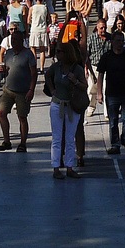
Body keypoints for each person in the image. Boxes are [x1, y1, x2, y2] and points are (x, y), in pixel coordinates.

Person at [47, 40, 86, 178]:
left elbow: (84, 86)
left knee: (70, 138)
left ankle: (70, 167)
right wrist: (52, 90)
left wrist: (75, 81)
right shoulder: (56, 67)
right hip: (57, 104)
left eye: (59, 51)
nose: (56, 54)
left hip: (72, 106)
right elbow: (47, 76)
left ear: (66, 53)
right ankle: (56, 168)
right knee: (57, 138)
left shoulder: (77, 69)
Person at [98, 31, 125, 154]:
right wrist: (99, 93)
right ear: (112, 42)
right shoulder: (106, 57)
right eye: (118, 41)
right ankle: (115, 144)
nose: (120, 44)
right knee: (113, 121)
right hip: (112, 94)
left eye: (122, 41)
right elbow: (100, 75)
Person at [0, 27, 37, 152]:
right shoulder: (8, 53)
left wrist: (31, 89)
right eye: (12, 39)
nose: (13, 42)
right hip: (8, 89)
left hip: (23, 91)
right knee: (1, 113)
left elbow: (34, 73)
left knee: (22, 117)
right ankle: (6, 141)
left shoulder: (28, 54)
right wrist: (1, 71)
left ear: (22, 41)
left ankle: (23, 143)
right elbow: (5, 69)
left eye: (16, 40)